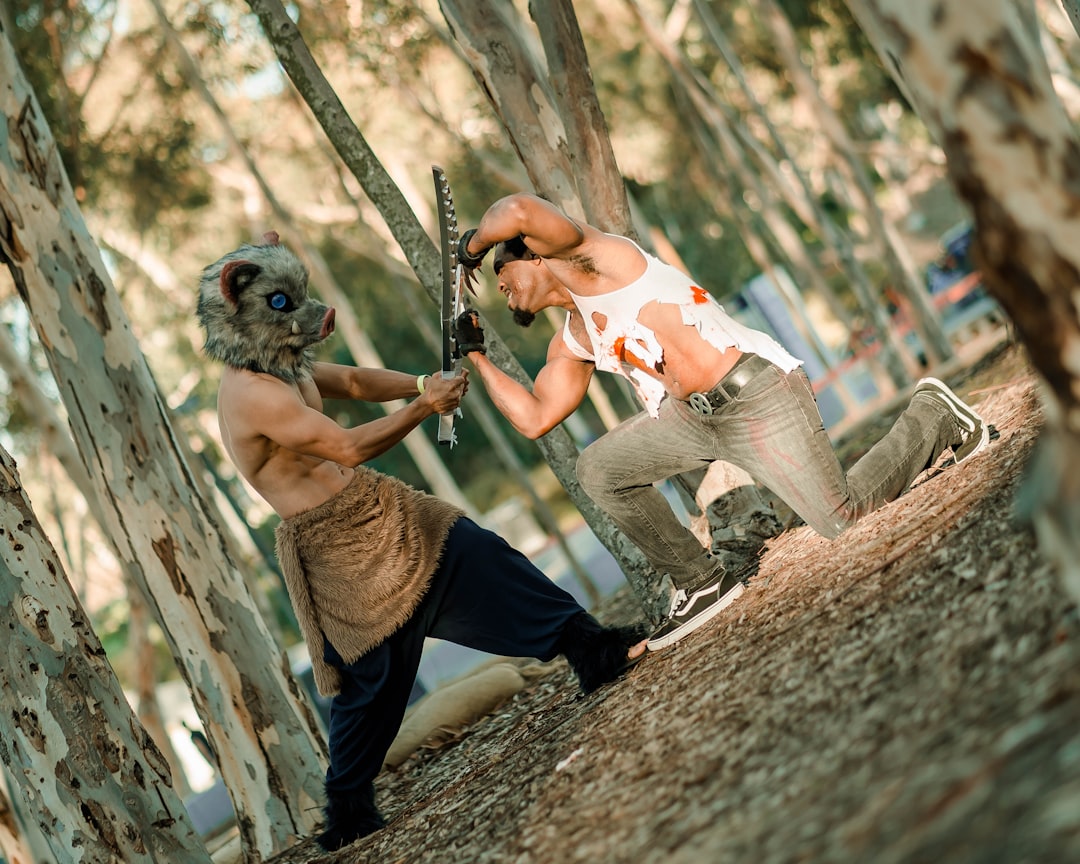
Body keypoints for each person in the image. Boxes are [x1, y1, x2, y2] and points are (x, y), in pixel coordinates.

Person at [196, 233, 647, 851]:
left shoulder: (284, 364)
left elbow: (351, 380)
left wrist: (417, 383)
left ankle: (592, 649)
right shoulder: (250, 394)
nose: (306, 314)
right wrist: (425, 408)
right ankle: (347, 811)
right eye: (283, 305)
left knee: (482, 556)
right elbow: (345, 446)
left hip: (376, 506)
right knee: (374, 678)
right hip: (337, 548)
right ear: (237, 307)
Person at [452, 193, 990, 652]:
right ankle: (700, 583)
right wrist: (475, 354)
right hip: (691, 421)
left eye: (503, 272)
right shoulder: (573, 337)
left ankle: (933, 415)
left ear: (537, 257)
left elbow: (519, 210)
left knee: (841, 518)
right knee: (598, 468)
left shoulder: (595, 261)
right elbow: (536, 417)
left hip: (754, 393)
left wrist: (470, 246)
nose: (500, 288)